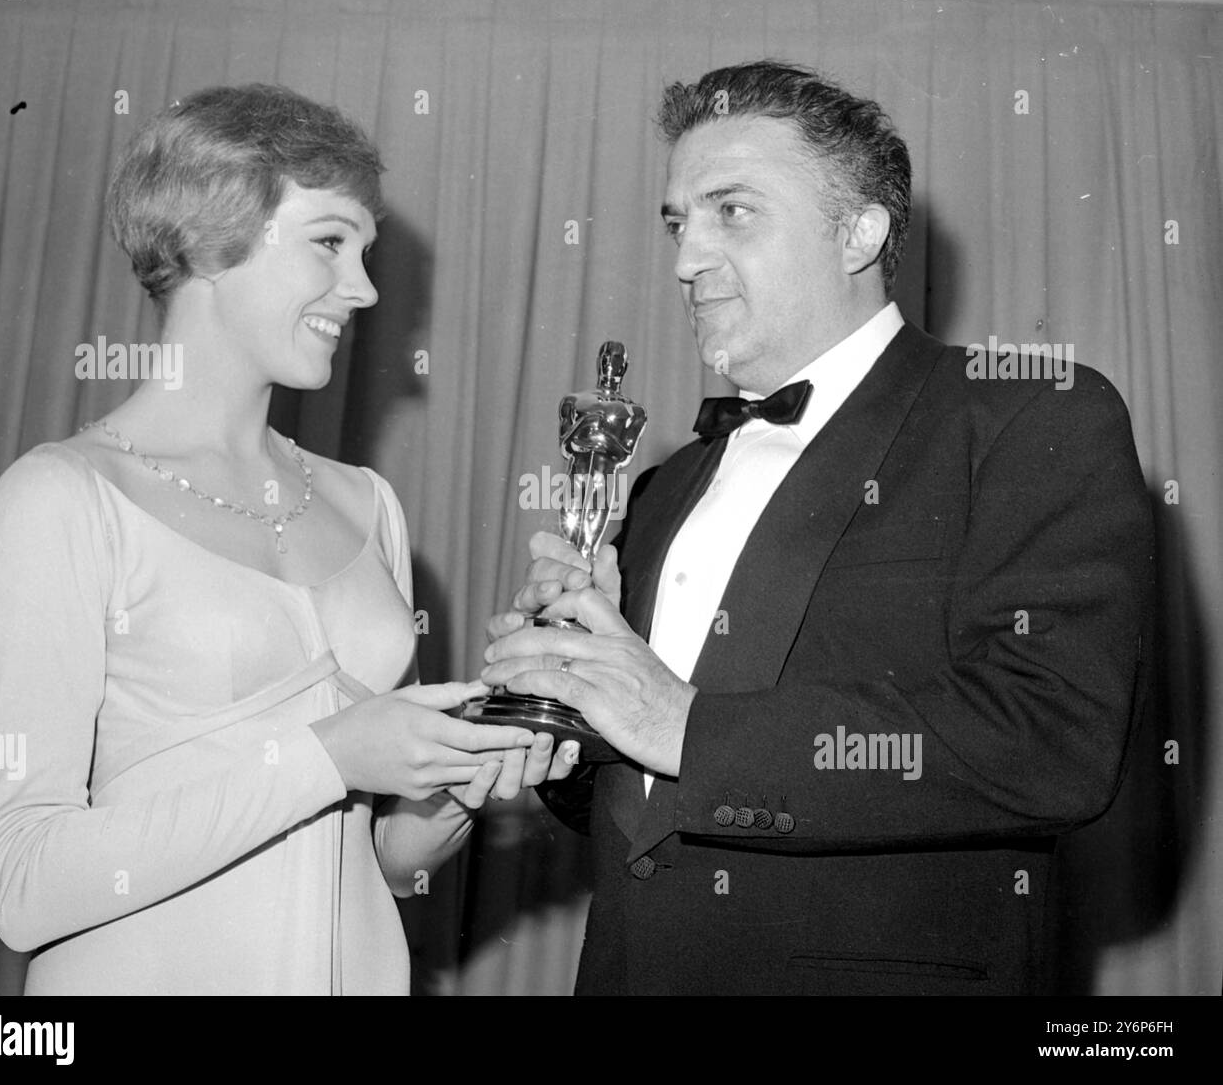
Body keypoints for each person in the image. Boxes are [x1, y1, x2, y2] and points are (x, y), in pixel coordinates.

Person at [482, 61, 1156, 995]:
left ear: (860, 232)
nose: (684, 258)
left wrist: (679, 724)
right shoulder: (668, 483)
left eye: (732, 210)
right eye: (678, 222)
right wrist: (569, 716)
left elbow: (1054, 741)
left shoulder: (1028, 413)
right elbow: (648, 805)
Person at [0, 83, 555, 995]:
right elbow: (20, 884)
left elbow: (382, 864)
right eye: (329, 242)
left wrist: (449, 789)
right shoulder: (62, 496)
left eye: (364, 251)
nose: (362, 288)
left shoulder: (369, 505)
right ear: (208, 239)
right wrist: (329, 753)